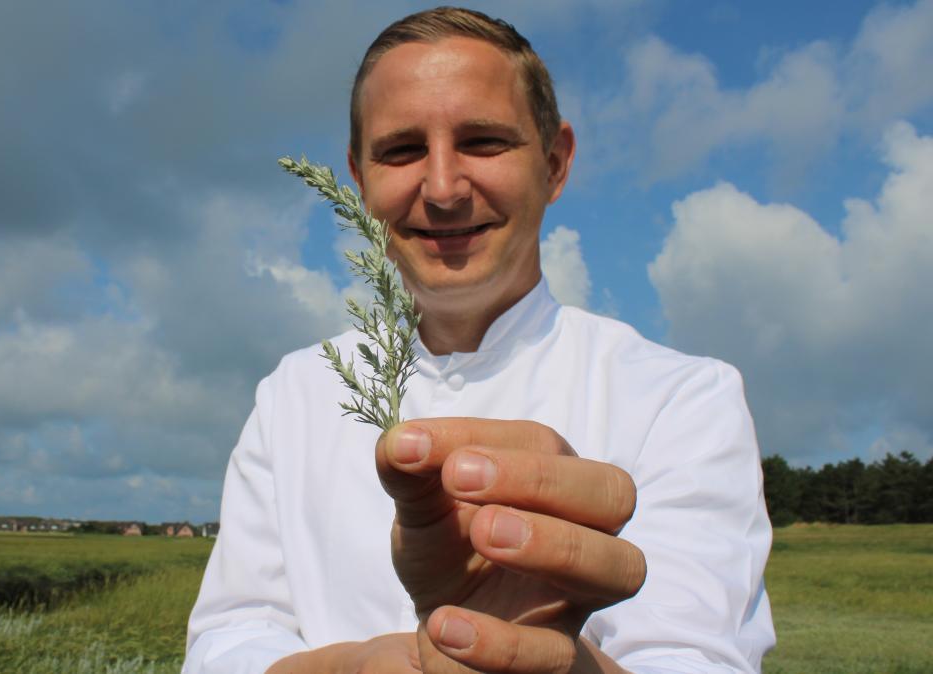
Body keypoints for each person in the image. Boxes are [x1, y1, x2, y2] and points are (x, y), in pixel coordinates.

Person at [184, 7, 774, 673]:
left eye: (484, 142)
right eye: (402, 150)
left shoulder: (683, 398)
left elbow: (694, 657)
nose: (442, 189)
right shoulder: (295, 389)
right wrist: (351, 668)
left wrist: (546, 663)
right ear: (358, 179)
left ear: (555, 163)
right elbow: (232, 633)